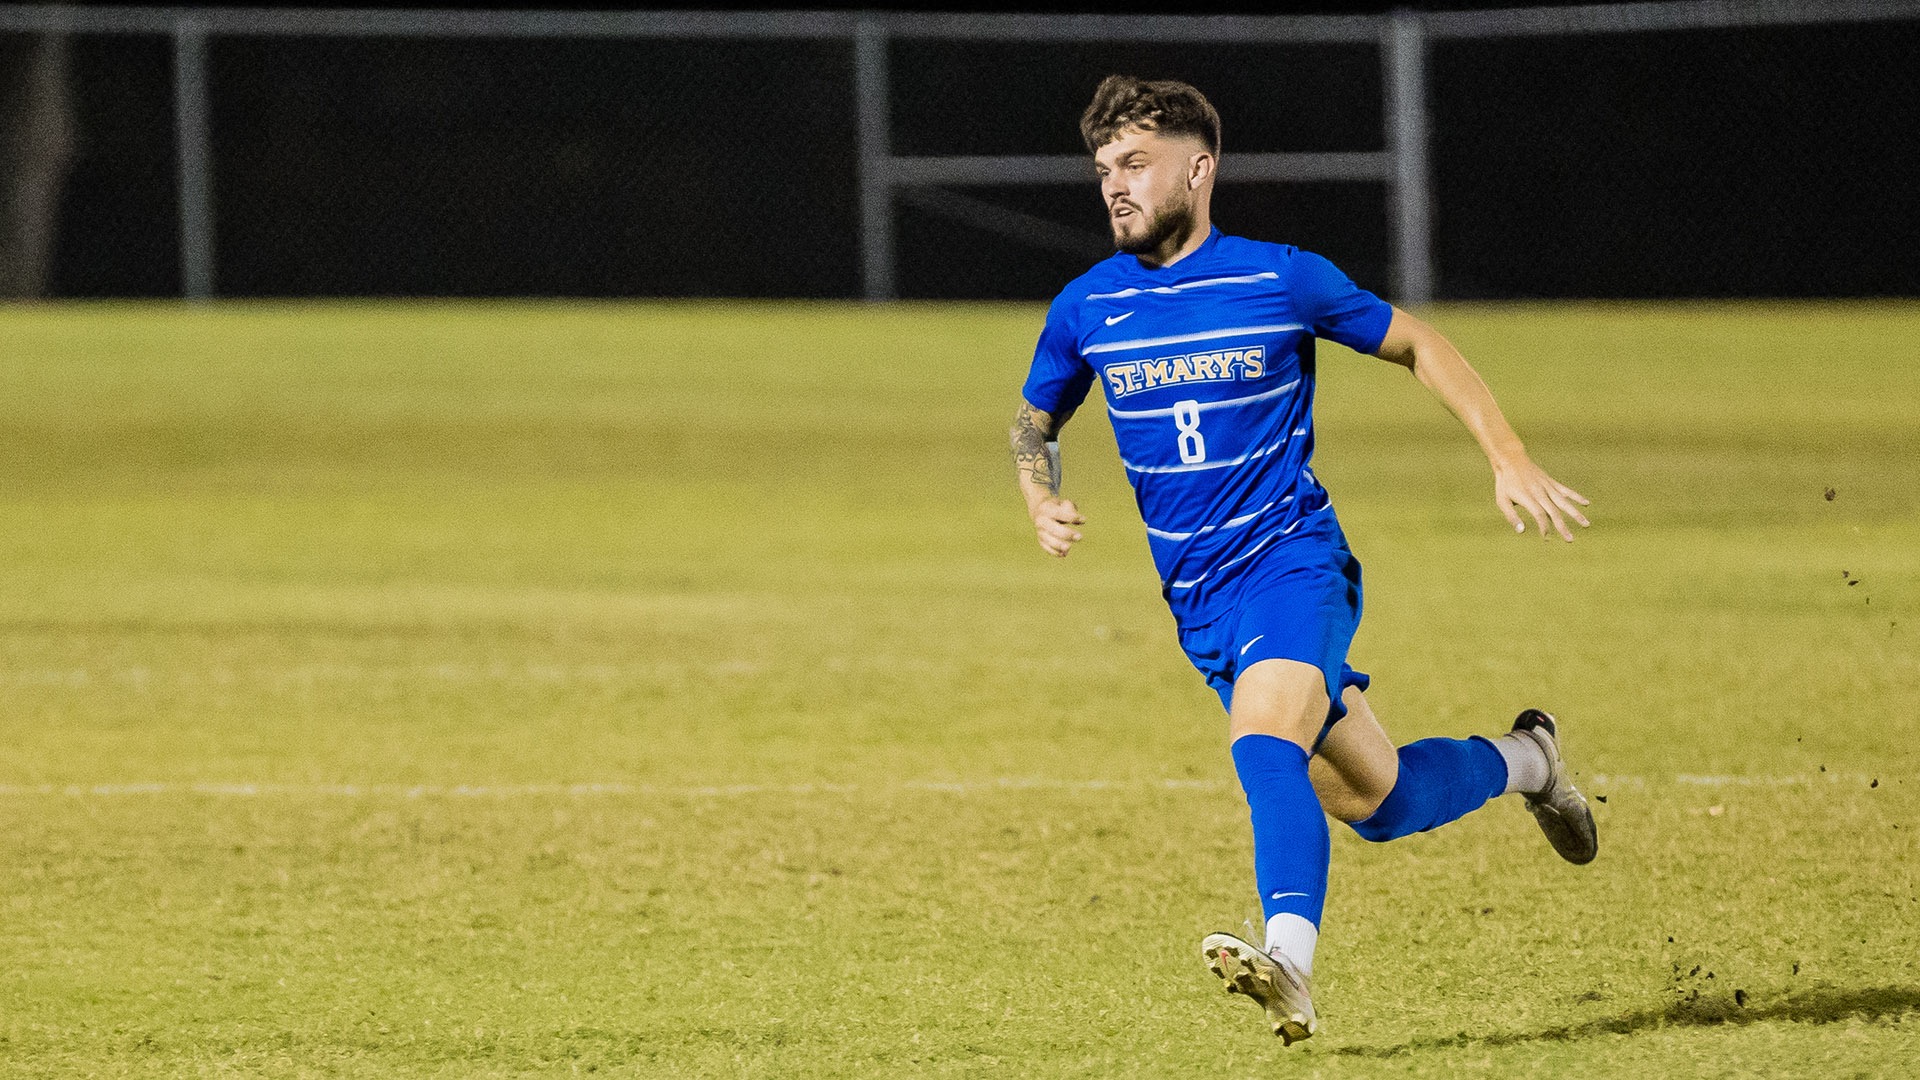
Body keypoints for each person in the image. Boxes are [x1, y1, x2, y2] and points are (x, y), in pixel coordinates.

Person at [1008, 75, 1598, 1045]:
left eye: (1136, 163)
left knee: (1262, 743)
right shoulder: (1088, 306)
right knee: (1381, 799)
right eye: (1105, 167)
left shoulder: (1280, 277)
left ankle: (1290, 961)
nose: (1114, 184)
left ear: (1199, 171)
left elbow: (1419, 345)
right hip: (1200, 604)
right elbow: (1035, 419)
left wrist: (1509, 455)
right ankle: (1531, 760)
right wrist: (1040, 494)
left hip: (1292, 566)